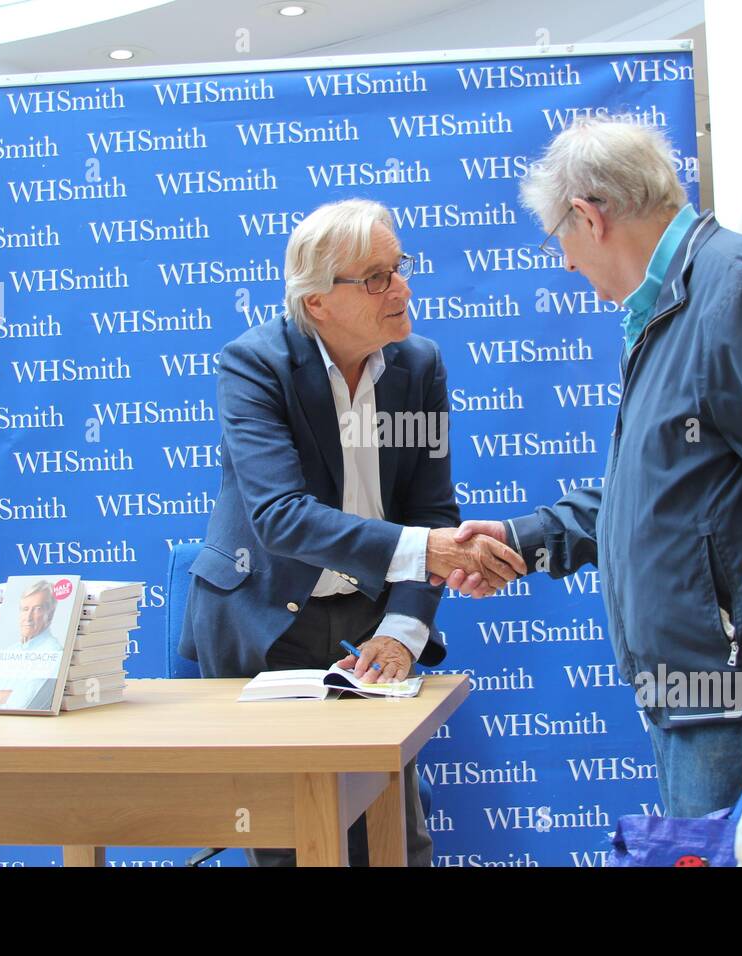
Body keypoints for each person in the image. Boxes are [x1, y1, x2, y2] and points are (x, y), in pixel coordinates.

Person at [441, 119, 742, 817]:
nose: (563, 262)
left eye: (558, 238)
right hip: (708, 693)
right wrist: (523, 538)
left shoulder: (735, 287)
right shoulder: (674, 304)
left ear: (589, 217)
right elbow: (663, 492)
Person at [178, 198, 525, 865]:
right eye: (375, 277)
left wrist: (401, 632)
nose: (402, 287)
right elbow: (280, 517)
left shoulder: (417, 365)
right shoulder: (255, 365)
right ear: (317, 303)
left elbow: (431, 509)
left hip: (368, 621)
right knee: (288, 842)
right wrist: (426, 550)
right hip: (264, 620)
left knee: (393, 837)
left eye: (398, 268)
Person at [0, 579, 63, 711]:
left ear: (50, 613)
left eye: (37, 609)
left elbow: (22, 704)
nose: (28, 617)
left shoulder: (53, 653)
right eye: (25, 609)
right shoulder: (9, 651)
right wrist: (3, 696)